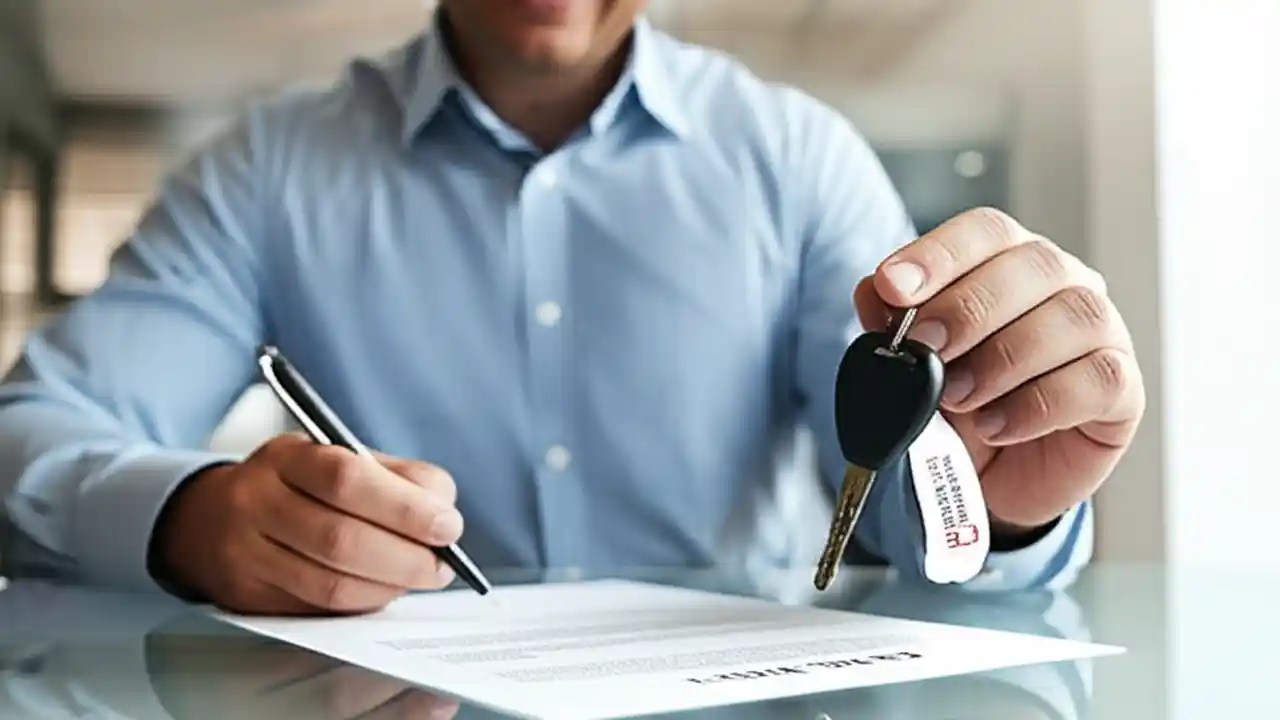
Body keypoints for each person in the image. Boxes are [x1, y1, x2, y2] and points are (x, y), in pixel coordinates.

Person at [0, 0, 1144, 614]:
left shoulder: (796, 159)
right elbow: (26, 437)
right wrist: (191, 520)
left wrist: (991, 505)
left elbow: (899, 486)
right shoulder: (266, 171)